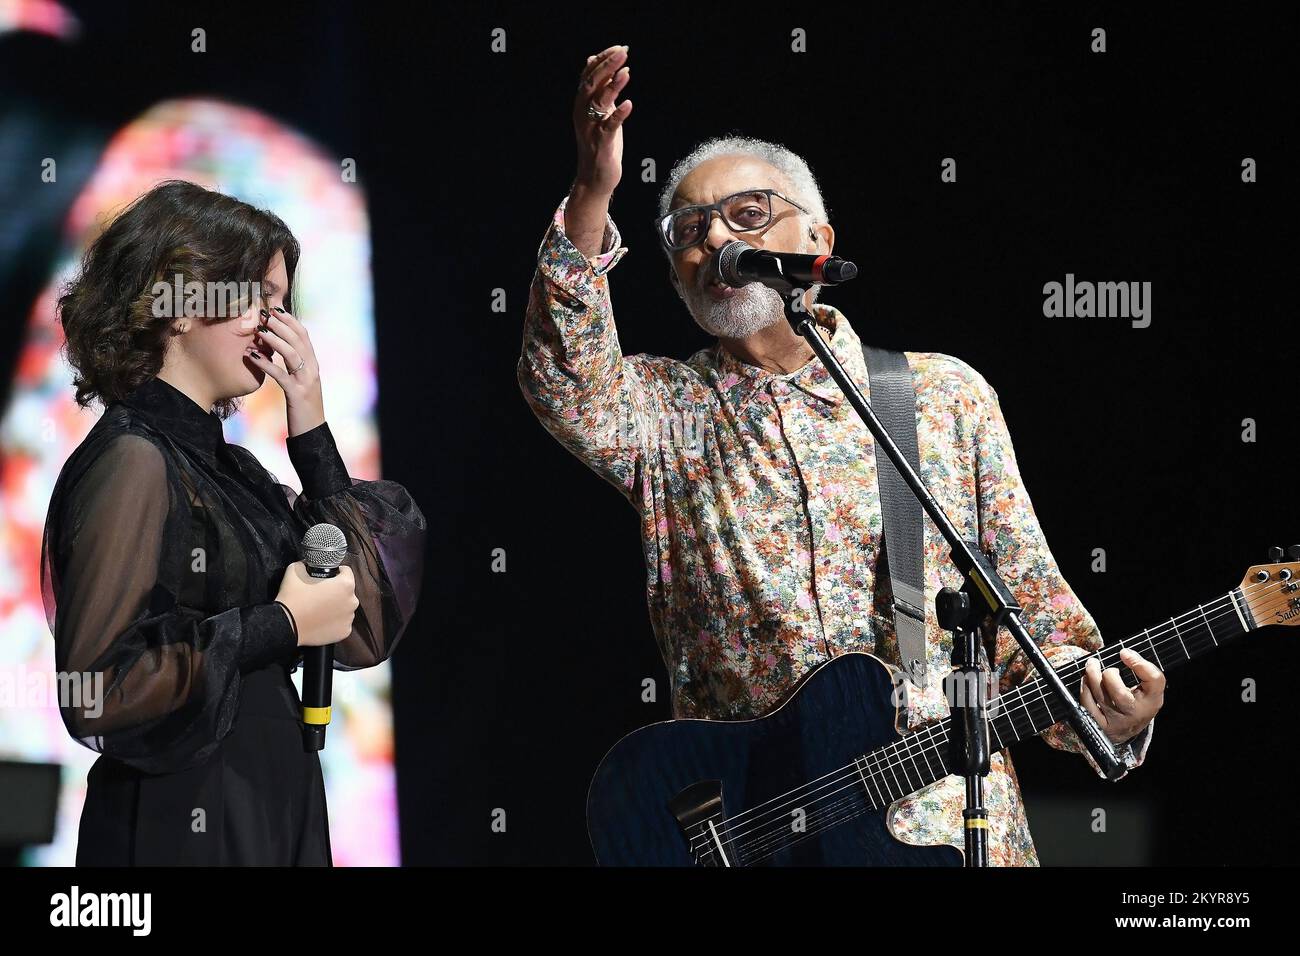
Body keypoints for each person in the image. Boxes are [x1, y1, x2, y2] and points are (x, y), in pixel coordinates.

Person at [516, 46, 1164, 866]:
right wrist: (592, 189)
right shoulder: (663, 411)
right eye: (689, 230)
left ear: (817, 238)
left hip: (947, 832)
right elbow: (561, 377)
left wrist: (1104, 708)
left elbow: (1033, 625)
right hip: (759, 834)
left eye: (748, 213)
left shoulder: (941, 396)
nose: (716, 235)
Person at [41, 180, 427, 865]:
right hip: (183, 820)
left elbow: (365, 625)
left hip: (274, 803)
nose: (281, 327)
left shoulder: (239, 474)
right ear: (181, 305)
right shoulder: (134, 459)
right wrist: (279, 624)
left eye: (285, 305)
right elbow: (98, 689)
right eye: (258, 300)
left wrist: (310, 426)